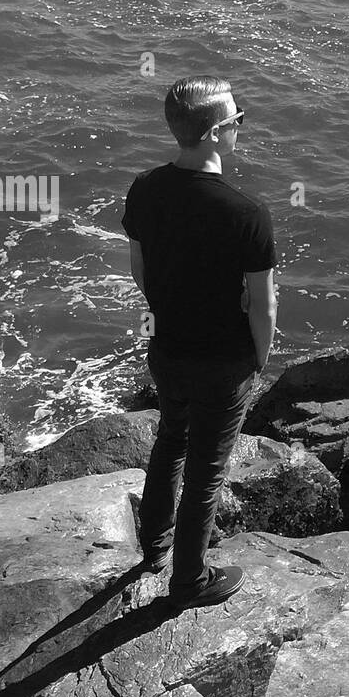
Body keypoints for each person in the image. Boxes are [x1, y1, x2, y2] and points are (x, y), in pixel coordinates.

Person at [122, 76, 277, 606]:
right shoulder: (246, 214)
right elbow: (263, 305)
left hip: (167, 348)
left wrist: (169, 310)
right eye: (236, 121)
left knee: (170, 440)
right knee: (207, 471)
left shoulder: (145, 188)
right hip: (223, 360)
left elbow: (140, 267)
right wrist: (259, 359)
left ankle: (154, 543)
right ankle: (189, 579)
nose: (240, 127)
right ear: (214, 133)